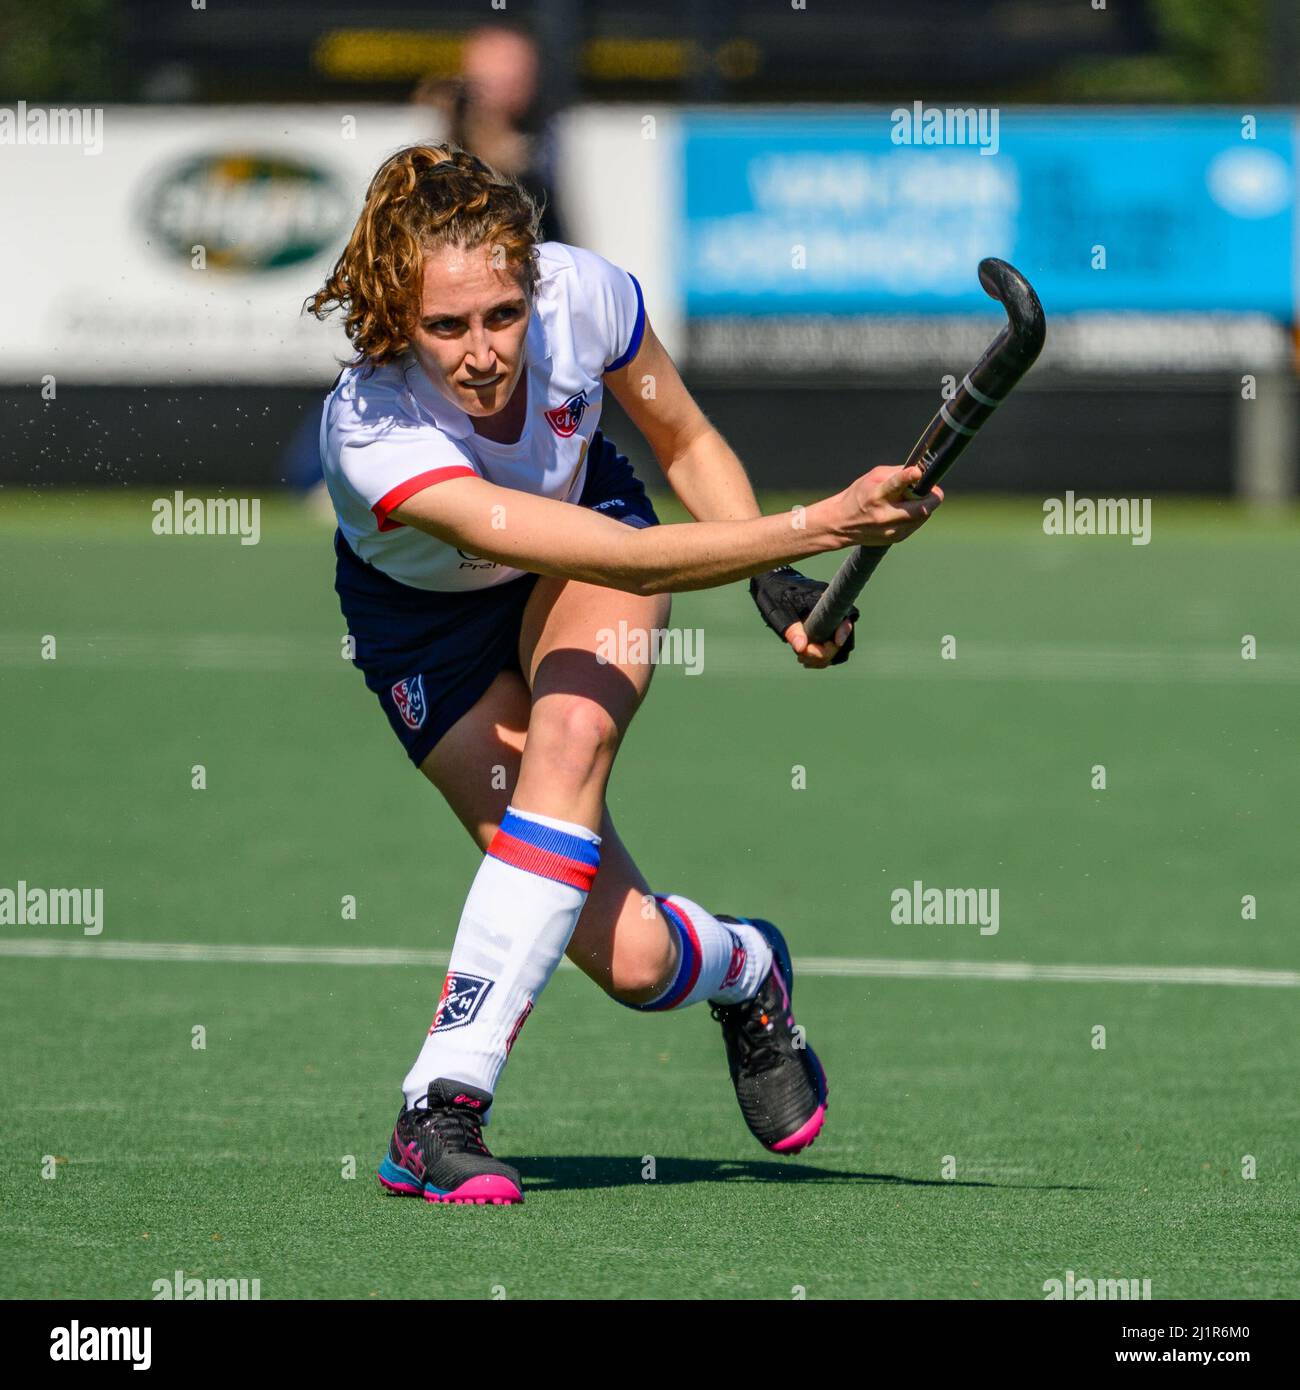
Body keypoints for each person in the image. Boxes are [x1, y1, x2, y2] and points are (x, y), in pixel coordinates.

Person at [305, 145, 942, 1206]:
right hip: (427, 624)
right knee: (637, 960)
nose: (481, 353)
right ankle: (746, 969)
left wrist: (776, 573)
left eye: (501, 314)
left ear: (529, 277)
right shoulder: (371, 427)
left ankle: (440, 1107)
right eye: (446, 327)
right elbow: (607, 556)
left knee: (570, 742)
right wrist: (820, 521)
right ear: (390, 315)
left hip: (590, 532)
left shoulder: (584, 296)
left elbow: (683, 439)